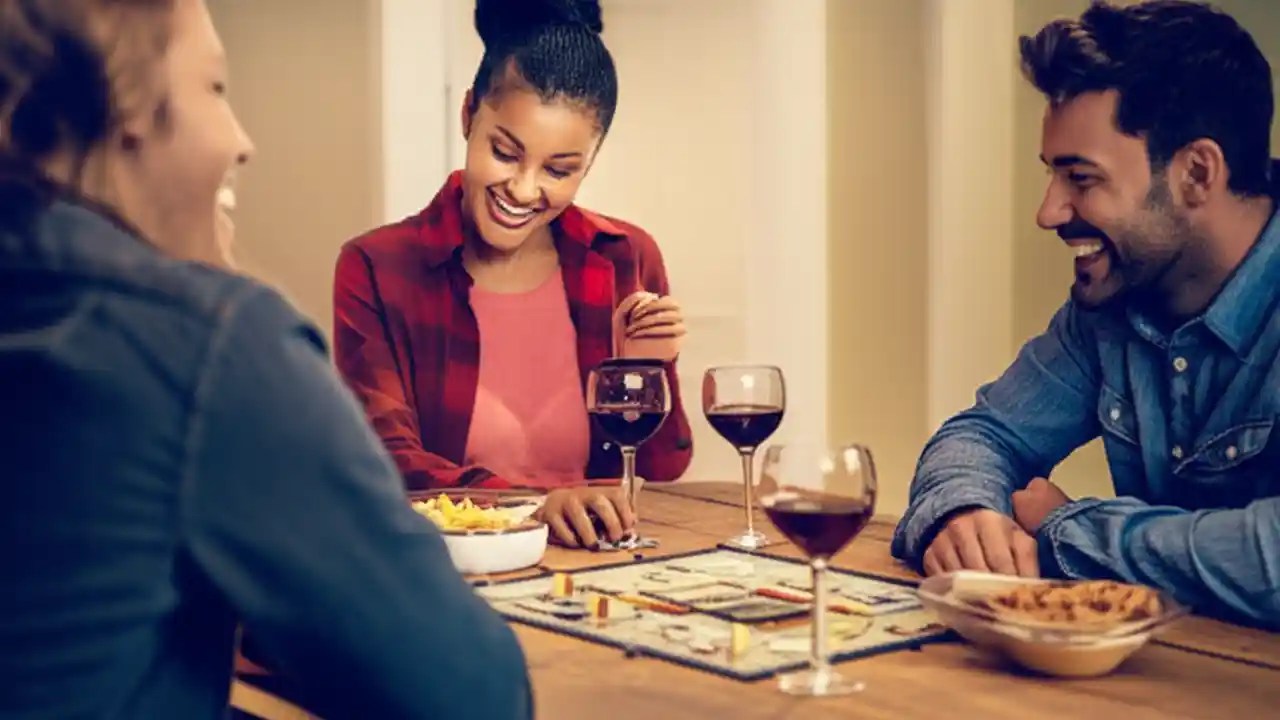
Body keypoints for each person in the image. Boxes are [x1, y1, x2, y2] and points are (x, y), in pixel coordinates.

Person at [0, 1, 531, 718]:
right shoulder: (211, 344)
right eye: (215, 88)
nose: (241, 141)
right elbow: (474, 696)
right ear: (124, 101)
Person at [892, 0, 1280, 630]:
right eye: (1052, 175)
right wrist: (962, 514)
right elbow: (983, 436)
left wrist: (1067, 530)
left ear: (1197, 173)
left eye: (1080, 177)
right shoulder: (1108, 310)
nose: (1049, 211)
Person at [334, 0, 693, 549]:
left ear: (589, 164)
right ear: (468, 116)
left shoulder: (626, 256)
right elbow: (384, 459)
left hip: (596, 571)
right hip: (454, 574)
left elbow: (663, 465)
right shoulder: (377, 267)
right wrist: (531, 505)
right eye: (505, 152)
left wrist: (650, 372)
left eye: (559, 169)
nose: (524, 191)